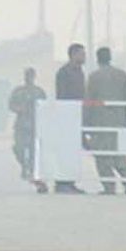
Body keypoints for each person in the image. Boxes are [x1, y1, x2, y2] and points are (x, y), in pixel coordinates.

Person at [83, 45, 126, 194]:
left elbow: (88, 101)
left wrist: (85, 125)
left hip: (99, 121)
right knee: (119, 153)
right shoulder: (122, 75)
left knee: (102, 155)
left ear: (98, 58)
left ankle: (109, 186)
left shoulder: (94, 77)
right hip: (118, 120)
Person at [48, 43, 88, 192]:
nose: (84, 57)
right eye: (81, 54)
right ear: (73, 54)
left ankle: (69, 182)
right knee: (65, 150)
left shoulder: (79, 72)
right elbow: (62, 95)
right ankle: (61, 182)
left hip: (77, 116)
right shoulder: (64, 72)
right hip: (67, 116)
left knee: (73, 151)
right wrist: (65, 115)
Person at [7, 66, 44, 189]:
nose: (29, 77)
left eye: (31, 75)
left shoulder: (39, 92)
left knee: (34, 151)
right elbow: (11, 105)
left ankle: (31, 172)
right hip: (21, 124)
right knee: (18, 148)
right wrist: (18, 109)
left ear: (34, 77)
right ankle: (24, 165)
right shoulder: (18, 91)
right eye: (27, 75)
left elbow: (45, 107)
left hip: (35, 124)